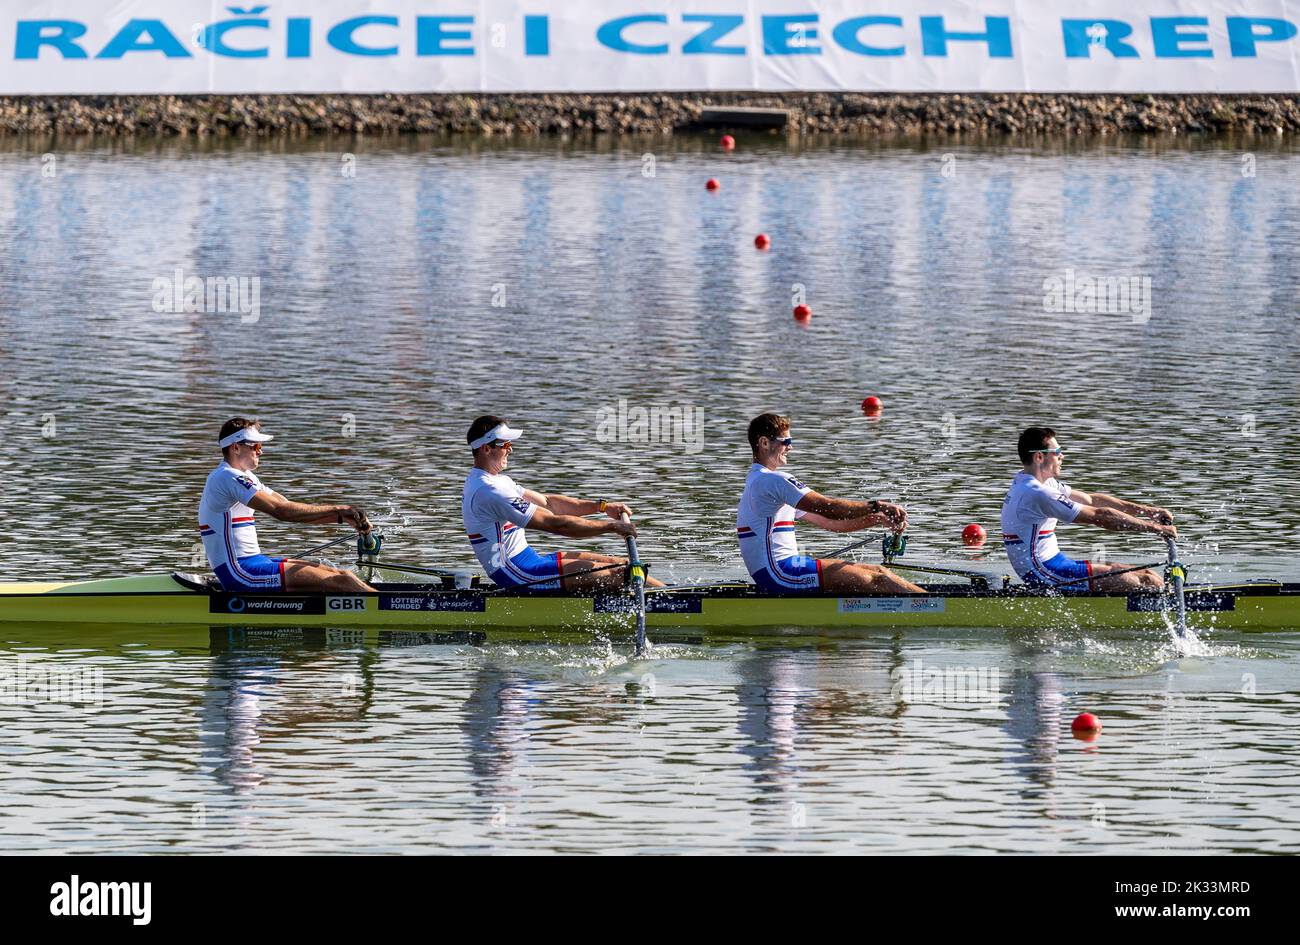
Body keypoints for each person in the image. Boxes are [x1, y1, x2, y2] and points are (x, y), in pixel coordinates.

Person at [462, 416, 665, 592]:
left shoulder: (498, 481)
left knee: (623, 563)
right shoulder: (489, 491)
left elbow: (550, 504)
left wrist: (602, 507)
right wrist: (612, 527)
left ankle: (674, 594)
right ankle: (678, 604)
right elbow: (557, 524)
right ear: (486, 448)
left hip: (531, 561)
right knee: (620, 574)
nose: (511, 450)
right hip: (516, 575)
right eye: (505, 444)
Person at [737, 413, 922, 593]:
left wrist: (878, 519)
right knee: (878, 580)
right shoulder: (772, 481)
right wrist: (878, 505)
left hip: (781, 569)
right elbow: (829, 508)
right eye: (785, 442)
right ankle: (938, 607)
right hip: (779, 573)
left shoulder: (759, 483)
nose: (790, 447)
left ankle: (934, 602)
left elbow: (832, 523)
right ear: (764, 443)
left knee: (879, 571)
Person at [198, 417, 374, 593]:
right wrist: (338, 509)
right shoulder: (226, 477)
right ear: (235, 447)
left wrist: (341, 517)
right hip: (239, 573)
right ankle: (389, 610)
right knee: (344, 581)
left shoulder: (247, 477)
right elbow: (281, 511)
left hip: (255, 562)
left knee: (340, 574)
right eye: (256, 446)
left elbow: (287, 505)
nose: (260, 452)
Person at [1001, 427, 1177, 592]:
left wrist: (1149, 511)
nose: (1062, 455)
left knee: (1147, 574)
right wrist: (1157, 529)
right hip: (1042, 573)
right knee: (1149, 583)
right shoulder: (1038, 493)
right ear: (1039, 457)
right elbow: (1101, 517)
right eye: (1056, 452)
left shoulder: (1035, 481)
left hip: (1056, 564)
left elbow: (1092, 500)